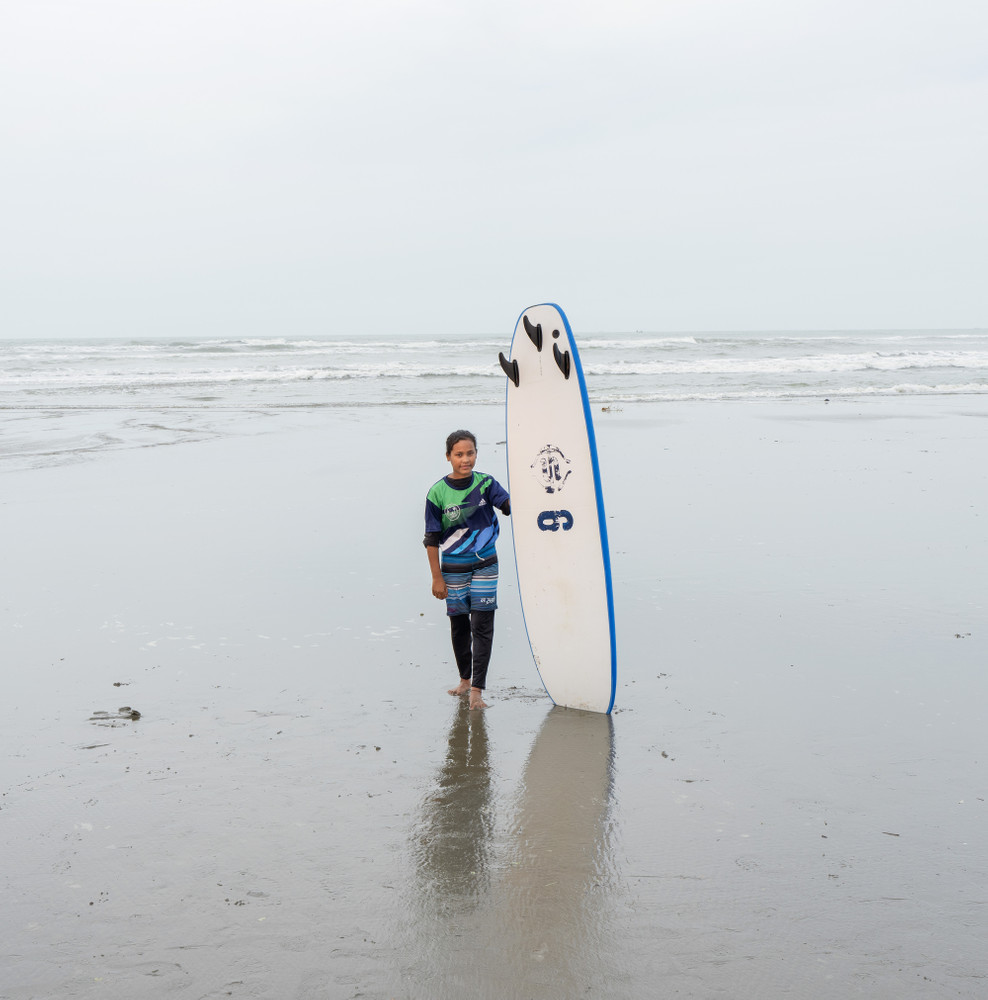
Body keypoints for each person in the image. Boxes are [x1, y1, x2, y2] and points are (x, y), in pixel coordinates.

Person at [424, 430, 510, 710]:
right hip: (453, 569)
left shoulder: (486, 484)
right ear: (448, 456)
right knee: (460, 625)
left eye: (470, 453)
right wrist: (437, 577)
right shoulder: (437, 492)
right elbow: (431, 539)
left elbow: (509, 505)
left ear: (476, 453)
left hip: (486, 563)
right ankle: (464, 679)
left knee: (482, 626)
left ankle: (476, 690)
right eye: (459, 454)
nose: (465, 459)